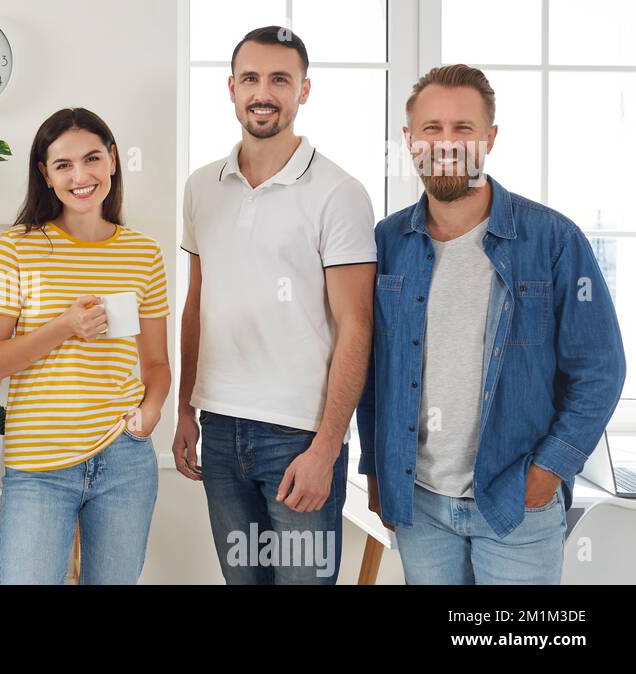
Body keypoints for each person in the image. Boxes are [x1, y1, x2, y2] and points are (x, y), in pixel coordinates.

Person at [357, 64, 625, 584]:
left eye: (463, 128)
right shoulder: (385, 243)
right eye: (432, 129)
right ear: (409, 141)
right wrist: (377, 471)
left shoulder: (552, 239)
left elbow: (600, 369)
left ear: (490, 138)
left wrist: (549, 471)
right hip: (419, 504)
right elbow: (373, 371)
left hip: (514, 502)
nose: (447, 143)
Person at [172, 26, 376, 584]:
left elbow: (357, 327)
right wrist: (186, 410)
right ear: (232, 88)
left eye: (280, 79)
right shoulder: (201, 187)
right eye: (251, 78)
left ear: (304, 90)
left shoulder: (339, 192)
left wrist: (327, 447)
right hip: (218, 426)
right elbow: (198, 303)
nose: (264, 92)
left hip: (298, 436)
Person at [0, 107, 171, 585]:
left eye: (92, 159)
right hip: (39, 464)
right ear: (45, 174)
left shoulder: (144, 254)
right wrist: (63, 326)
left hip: (125, 458)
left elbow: (158, 363)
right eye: (63, 165)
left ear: (113, 160)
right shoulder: (18, 249)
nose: (80, 176)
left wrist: (152, 411)